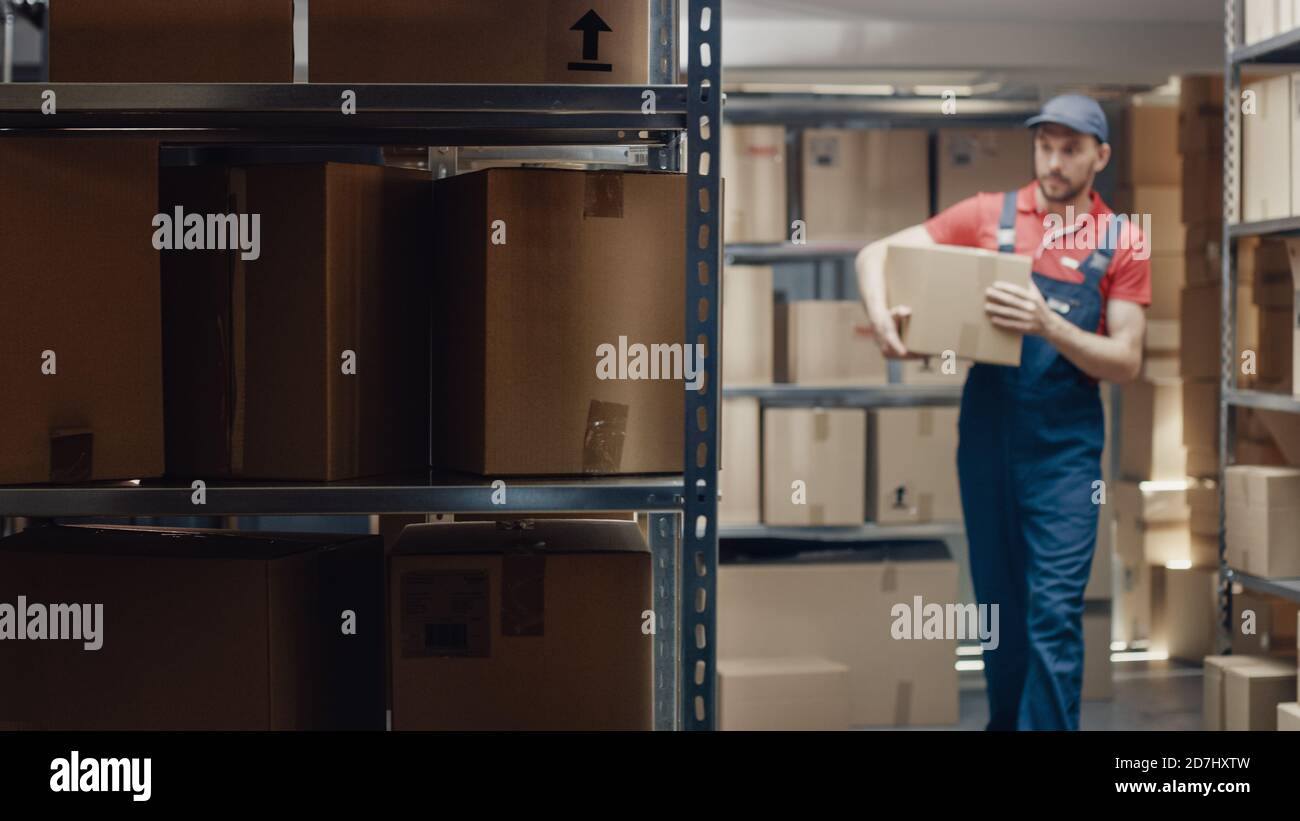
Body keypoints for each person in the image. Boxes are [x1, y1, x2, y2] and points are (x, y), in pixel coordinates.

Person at [855, 94, 1151, 730]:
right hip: (988, 440)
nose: (1054, 160)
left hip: (1066, 453)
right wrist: (884, 323)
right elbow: (874, 254)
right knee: (998, 605)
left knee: (1053, 610)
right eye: (1045, 144)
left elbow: (1125, 360)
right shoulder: (989, 214)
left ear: (1100, 156)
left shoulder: (1123, 241)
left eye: (1070, 149)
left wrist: (1049, 326)